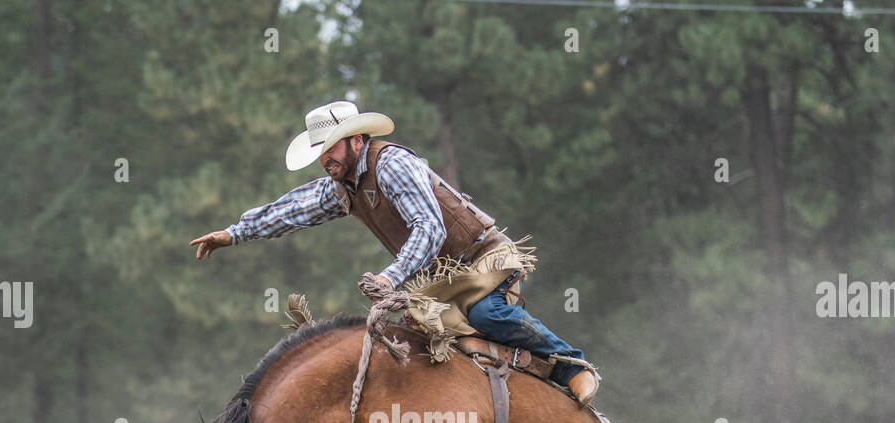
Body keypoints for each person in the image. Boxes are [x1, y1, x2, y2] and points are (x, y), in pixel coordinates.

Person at [190, 100, 599, 405]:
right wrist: (234, 233)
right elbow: (292, 208)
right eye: (320, 151)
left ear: (355, 140)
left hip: (482, 261)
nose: (324, 158)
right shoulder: (342, 186)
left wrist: (390, 277)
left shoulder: (391, 165)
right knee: (411, 347)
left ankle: (571, 365)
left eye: (330, 147)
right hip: (439, 283)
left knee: (486, 313)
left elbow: (430, 228)